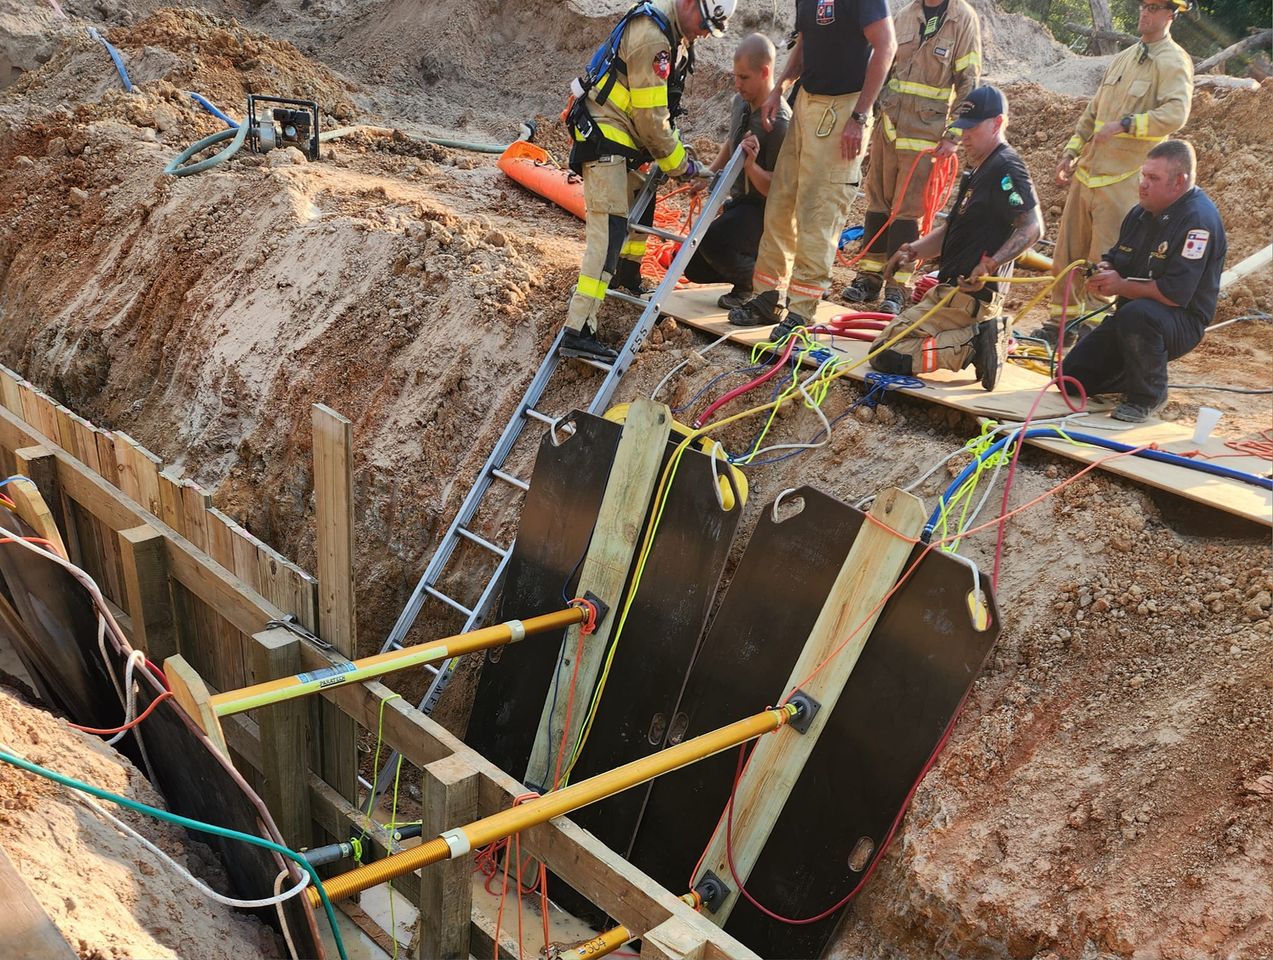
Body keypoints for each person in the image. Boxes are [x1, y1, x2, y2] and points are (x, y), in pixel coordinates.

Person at [562, 0, 736, 363]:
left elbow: (663, 109)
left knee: (644, 202)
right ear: (688, 3)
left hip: (627, 137)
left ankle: (627, 275)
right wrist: (683, 167)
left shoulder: (675, 35)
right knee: (608, 231)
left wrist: (676, 155)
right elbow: (652, 122)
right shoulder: (652, 38)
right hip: (605, 134)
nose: (705, 32)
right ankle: (578, 329)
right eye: (704, 23)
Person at [726, 0, 897, 332]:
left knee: (819, 210)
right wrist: (780, 88)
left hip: (845, 106)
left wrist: (860, 116)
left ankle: (801, 312)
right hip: (807, 103)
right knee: (781, 201)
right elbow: (806, 43)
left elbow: (886, 45)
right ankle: (768, 297)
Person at [1036, 0, 1194, 346]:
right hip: (1089, 173)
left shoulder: (1173, 61)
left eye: (1153, 7)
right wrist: (1071, 150)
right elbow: (1094, 110)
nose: (1144, 12)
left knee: (1104, 260)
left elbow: (1175, 113)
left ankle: (1093, 332)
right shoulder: (1124, 58)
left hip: (1125, 178)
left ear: (1171, 14)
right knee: (1068, 255)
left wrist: (1126, 125)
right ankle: (1058, 326)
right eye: (1143, 5)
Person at [868, 86, 1043, 391]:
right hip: (952, 293)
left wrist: (991, 265)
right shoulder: (978, 169)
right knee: (888, 344)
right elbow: (952, 229)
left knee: (886, 352)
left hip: (969, 300)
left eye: (973, 128)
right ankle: (976, 338)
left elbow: (1032, 227)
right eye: (962, 128)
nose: (965, 137)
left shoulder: (1007, 168)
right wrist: (911, 250)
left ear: (997, 123)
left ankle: (974, 344)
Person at [1061, 140, 1225, 423]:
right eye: (1143, 175)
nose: (1143, 185)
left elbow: (1174, 294)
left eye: (1153, 178)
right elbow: (1116, 256)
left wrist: (1120, 286)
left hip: (1178, 321)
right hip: (1132, 316)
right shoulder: (1140, 213)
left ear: (1179, 182)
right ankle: (1134, 372)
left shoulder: (1198, 222)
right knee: (1072, 377)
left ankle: (1148, 395)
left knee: (1138, 315)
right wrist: (1105, 269)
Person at [842, 0, 982, 315]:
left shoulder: (962, 20)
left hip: (926, 139)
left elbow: (969, 83)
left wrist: (954, 134)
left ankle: (896, 287)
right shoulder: (904, 16)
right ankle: (868, 278)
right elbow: (883, 67)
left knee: (907, 215)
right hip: (888, 130)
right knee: (878, 205)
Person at [683, 33, 791, 310]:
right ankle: (748, 276)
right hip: (740, 203)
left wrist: (751, 166)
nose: (737, 84)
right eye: (736, 76)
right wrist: (708, 175)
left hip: (764, 212)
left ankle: (765, 286)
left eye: (744, 78)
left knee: (713, 240)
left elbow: (778, 190)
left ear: (765, 72)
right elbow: (732, 142)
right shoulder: (740, 103)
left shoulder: (779, 123)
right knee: (692, 265)